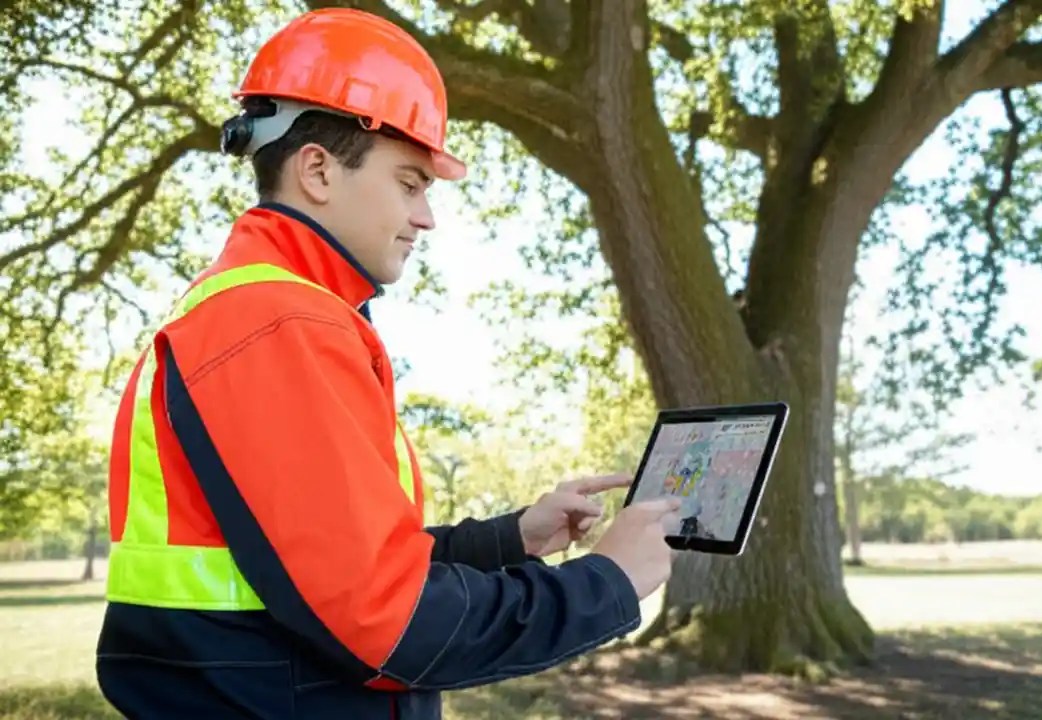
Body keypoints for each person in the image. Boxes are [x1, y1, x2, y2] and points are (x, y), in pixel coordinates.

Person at [95, 8, 680, 719]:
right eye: (410, 183)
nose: (427, 216)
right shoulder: (279, 325)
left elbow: (341, 564)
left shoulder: (269, 313)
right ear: (317, 170)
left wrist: (512, 538)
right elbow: (389, 622)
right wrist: (607, 583)